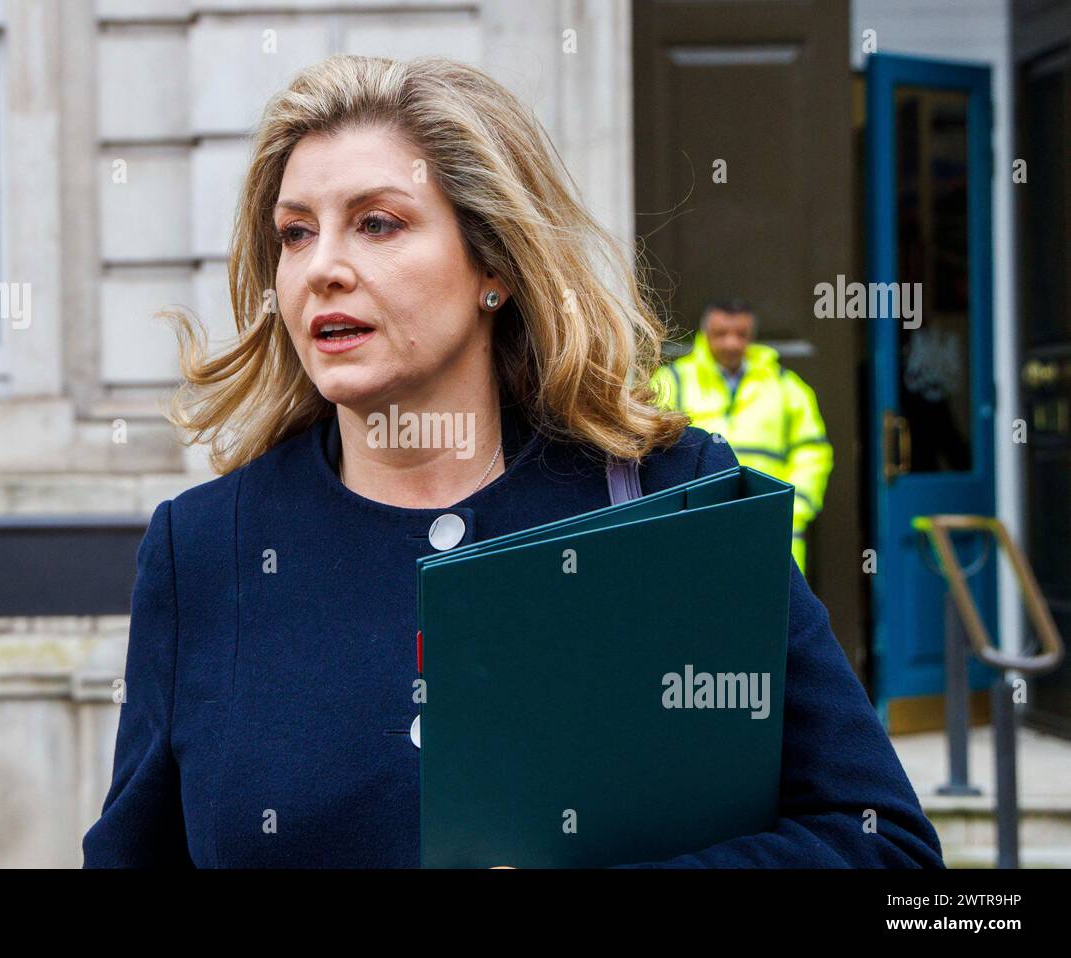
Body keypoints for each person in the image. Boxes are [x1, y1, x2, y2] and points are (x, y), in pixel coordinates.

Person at [80, 54, 942, 868]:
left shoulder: (676, 496)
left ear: (492, 262)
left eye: (377, 223)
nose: (323, 269)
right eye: (295, 234)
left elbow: (882, 844)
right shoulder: (201, 550)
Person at [651, 300, 834, 574]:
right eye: (721, 334)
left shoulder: (786, 386)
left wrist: (793, 507)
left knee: (774, 612)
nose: (731, 343)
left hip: (771, 526)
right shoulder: (671, 381)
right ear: (705, 335)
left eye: (741, 335)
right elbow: (651, 449)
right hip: (695, 529)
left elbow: (812, 453)